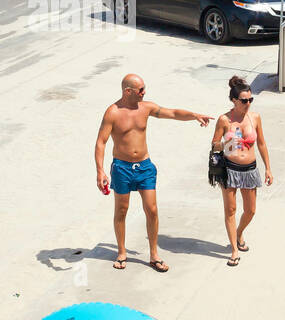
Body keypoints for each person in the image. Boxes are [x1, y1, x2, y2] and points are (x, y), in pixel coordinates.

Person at [94, 74, 211, 272]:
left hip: (145, 167)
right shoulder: (112, 112)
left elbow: (172, 113)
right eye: (140, 90)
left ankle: (154, 254)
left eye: (144, 88)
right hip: (122, 168)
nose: (144, 92)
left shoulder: (146, 107)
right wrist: (100, 171)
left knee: (152, 209)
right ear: (127, 91)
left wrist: (194, 115)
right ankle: (122, 252)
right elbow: (101, 142)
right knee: (121, 211)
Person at [210, 76, 274, 265]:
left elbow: (261, 143)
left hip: (250, 169)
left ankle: (239, 233)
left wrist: (268, 168)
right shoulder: (224, 119)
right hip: (230, 169)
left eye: (250, 100)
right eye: (244, 100)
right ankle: (234, 250)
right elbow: (214, 145)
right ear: (234, 100)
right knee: (230, 210)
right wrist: (226, 143)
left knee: (251, 210)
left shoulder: (254, 118)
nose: (248, 104)